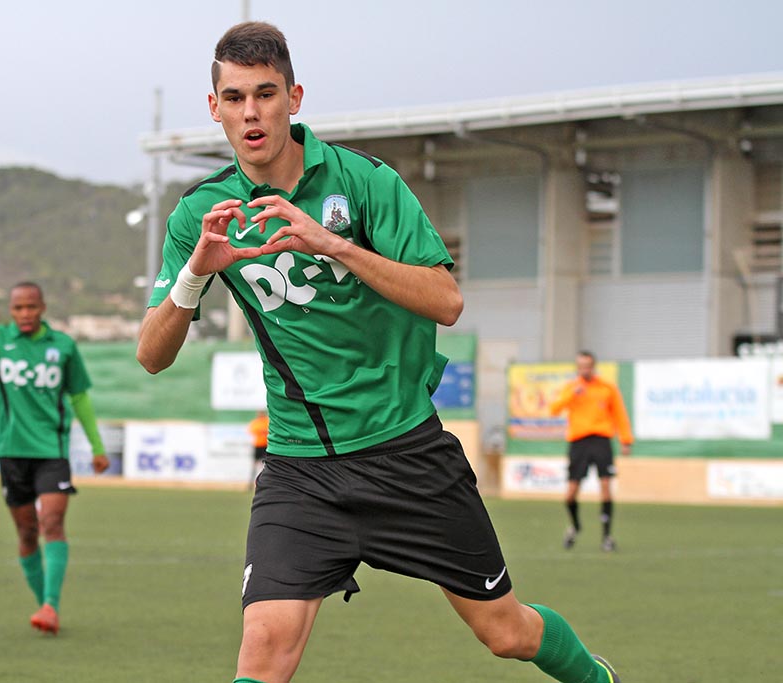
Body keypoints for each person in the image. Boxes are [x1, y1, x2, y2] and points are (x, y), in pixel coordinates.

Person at [136, 21, 622, 683]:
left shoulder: (366, 184)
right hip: (300, 468)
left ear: (294, 98)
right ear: (214, 105)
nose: (251, 112)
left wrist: (330, 243)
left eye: (266, 94)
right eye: (236, 97)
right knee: (265, 646)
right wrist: (195, 273)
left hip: (405, 453)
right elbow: (150, 355)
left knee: (505, 632)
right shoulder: (201, 212)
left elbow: (446, 300)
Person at [0, 258, 109, 635]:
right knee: (27, 532)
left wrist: (97, 445)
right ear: (10, 311)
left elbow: (79, 397)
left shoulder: (62, 346)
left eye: (31, 307)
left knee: (53, 523)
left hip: (52, 453)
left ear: (42, 308)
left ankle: (51, 606)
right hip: (12, 453)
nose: (24, 314)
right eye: (17, 308)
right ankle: (41, 602)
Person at [549, 351, 633, 552]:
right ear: (577, 368)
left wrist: (626, 439)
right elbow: (554, 409)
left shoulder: (606, 388)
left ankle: (607, 536)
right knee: (570, 493)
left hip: (601, 441)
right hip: (579, 443)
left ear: (593, 366)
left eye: (587, 366)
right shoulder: (571, 387)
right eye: (581, 366)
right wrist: (572, 394)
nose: (584, 369)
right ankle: (575, 526)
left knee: (605, 486)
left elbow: (619, 414)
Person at [247, 409, 269, 483]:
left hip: (266, 445)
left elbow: (269, 430)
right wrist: (262, 431)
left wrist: (262, 431)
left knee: (265, 464)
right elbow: (252, 430)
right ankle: (251, 481)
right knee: (255, 464)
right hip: (258, 445)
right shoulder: (256, 422)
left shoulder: (267, 421)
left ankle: (265, 481)